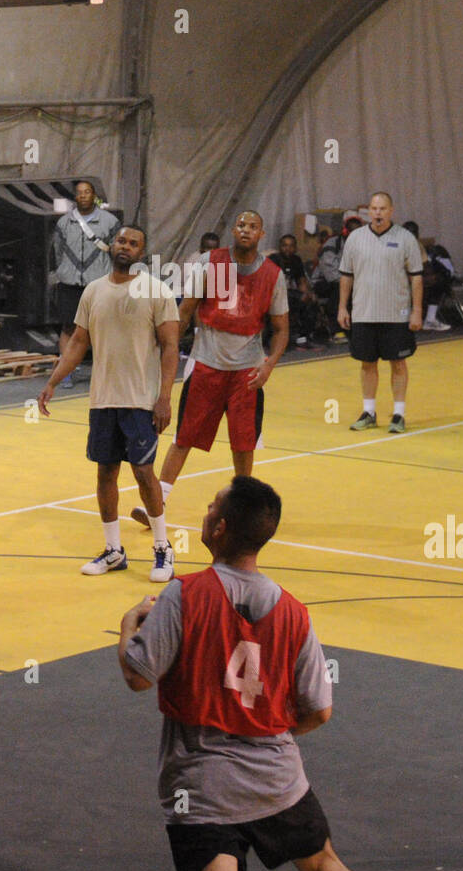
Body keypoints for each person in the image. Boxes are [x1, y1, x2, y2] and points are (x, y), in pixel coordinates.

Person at [117, 476, 387, 871]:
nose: (204, 511)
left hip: (203, 783)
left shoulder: (185, 594)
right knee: (324, 864)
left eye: (210, 507)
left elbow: (138, 676)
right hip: (276, 776)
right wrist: (269, 731)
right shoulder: (293, 611)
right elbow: (319, 710)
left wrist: (129, 626)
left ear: (220, 528)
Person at [131, 211, 288, 532]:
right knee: (183, 437)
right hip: (205, 363)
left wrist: (269, 364)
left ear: (261, 234)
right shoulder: (210, 263)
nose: (245, 230)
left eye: (252, 227)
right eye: (241, 225)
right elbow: (185, 311)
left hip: (247, 371)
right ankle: (156, 505)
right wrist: (166, 348)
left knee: (243, 443)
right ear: (233, 229)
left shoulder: (273, 274)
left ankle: (243, 511)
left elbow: (282, 328)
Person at [38, 225, 179, 581]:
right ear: (112, 245)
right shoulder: (93, 291)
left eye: (133, 243)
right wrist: (53, 381)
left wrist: (164, 397)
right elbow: (78, 343)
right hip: (103, 400)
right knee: (105, 473)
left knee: (144, 473)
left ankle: (163, 548)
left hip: (141, 401)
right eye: (121, 241)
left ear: (142, 252)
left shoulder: (156, 291)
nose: (125, 247)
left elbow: (170, 348)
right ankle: (114, 550)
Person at [338, 193, 423, 433]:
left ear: (391, 211)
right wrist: (343, 307)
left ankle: (398, 414)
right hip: (364, 313)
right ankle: (369, 412)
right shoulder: (355, 239)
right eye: (374, 209)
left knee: (398, 363)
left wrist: (416, 311)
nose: (377, 213)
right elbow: (346, 275)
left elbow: (416, 278)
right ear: (369, 212)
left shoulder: (406, 239)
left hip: (396, 314)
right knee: (367, 363)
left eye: (382, 209)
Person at [51, 180, 120, 367]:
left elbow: (117, 252)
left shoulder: (110, 222)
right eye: (79, 192)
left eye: (87, 192)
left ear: (94, 195)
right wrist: (64, 271)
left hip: (99, 284)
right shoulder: (64, 222)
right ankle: (66, 370)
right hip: (69, 284)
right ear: (75, 196)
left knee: (102, 328)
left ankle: (104, 368)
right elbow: (57, 251)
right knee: (68, 327)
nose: (83, 195)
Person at [402, 220, 453, 332]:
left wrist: (430, 276)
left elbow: (426, 265)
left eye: (413, 233)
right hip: (400, 282)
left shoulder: (415, 244)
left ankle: (429, 319)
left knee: (437, 281)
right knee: (434, 282)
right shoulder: (402, 245)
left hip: (409, 279)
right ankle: (425, 319)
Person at [269, 235, 319, 347]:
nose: (288, 249)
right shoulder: (273, 260)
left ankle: (302, 337)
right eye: (285, 245)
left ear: (295, 248)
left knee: (309, 300)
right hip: (272, 294)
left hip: (289, 294)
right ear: (280, 247)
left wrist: (307, 294)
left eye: (291, 246)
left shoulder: (296, 260)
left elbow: (301, 281)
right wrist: (298, 296)